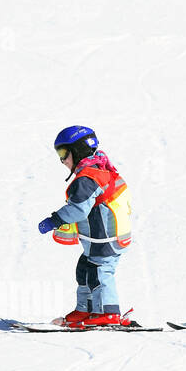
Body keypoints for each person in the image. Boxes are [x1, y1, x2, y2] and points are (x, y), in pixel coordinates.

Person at [36, 126, 133, 327]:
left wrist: (55, 220)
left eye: (63, 154)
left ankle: (108, 312)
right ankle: (86, 309)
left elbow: (78, 209)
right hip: (97, 239)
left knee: (100, 271)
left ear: (77, 150)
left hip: (105, 238)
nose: (62, 161)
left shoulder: (88, 178)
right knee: (85, 270)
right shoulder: (97, 171)